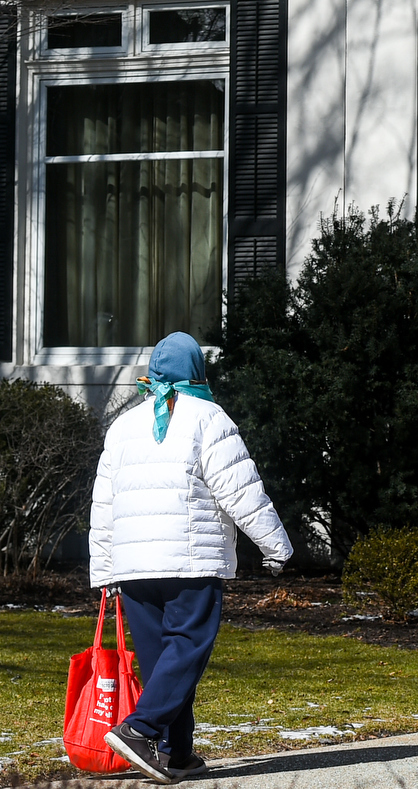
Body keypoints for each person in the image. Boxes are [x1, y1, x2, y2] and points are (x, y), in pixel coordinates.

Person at [90, 332, 292, 783]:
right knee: (188, 648)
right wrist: (276, 547)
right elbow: (241, 491)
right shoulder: (209, 417)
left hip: (133, 567)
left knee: (165, 660)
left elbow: (103, 504)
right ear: (197, 373)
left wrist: (104, 568)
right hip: (190, 560)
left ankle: (177, 753)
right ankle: (139, 730)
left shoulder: (123, 426)